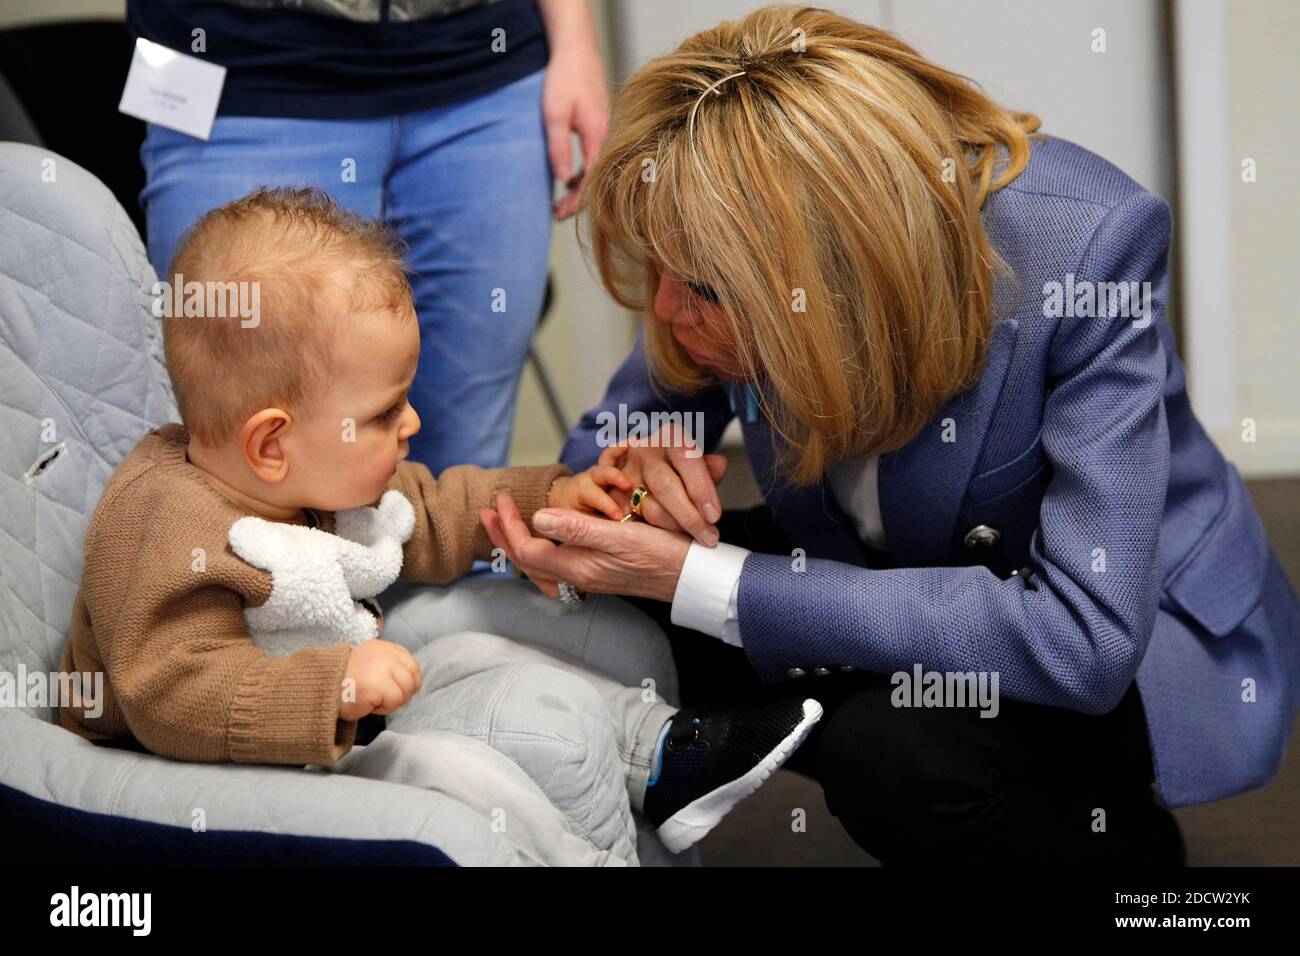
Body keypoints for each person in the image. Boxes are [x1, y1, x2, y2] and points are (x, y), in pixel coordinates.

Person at [481, 4, 1300, 865]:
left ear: (840, 272)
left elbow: (1084, 638)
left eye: (708, 290)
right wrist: (622, 480)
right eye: (661, 271)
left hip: (1113, 623)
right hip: (885, 555)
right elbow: (608, 447)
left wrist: (712, 582)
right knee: (592, 594)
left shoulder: (1088, 246)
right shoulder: (709, 253)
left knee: (897, 754)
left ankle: (1119, 849)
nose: (670, 313)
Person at [56, 187, 821, 860]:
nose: (413, 421)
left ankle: (657, 752)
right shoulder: (166, 526)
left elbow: (431, 510)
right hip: (201, 768)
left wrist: (559, 494)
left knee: (479, 646)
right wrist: (331, 688)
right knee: (453, 777)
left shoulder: (305, 476)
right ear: (272, 443)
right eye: (386, 412)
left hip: (341, 703)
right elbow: (170, 691)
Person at [130, 0, 610, 472]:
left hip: (485, 67)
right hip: (234, 68)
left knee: (464, 464)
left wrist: (575, 39)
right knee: (239, 464)